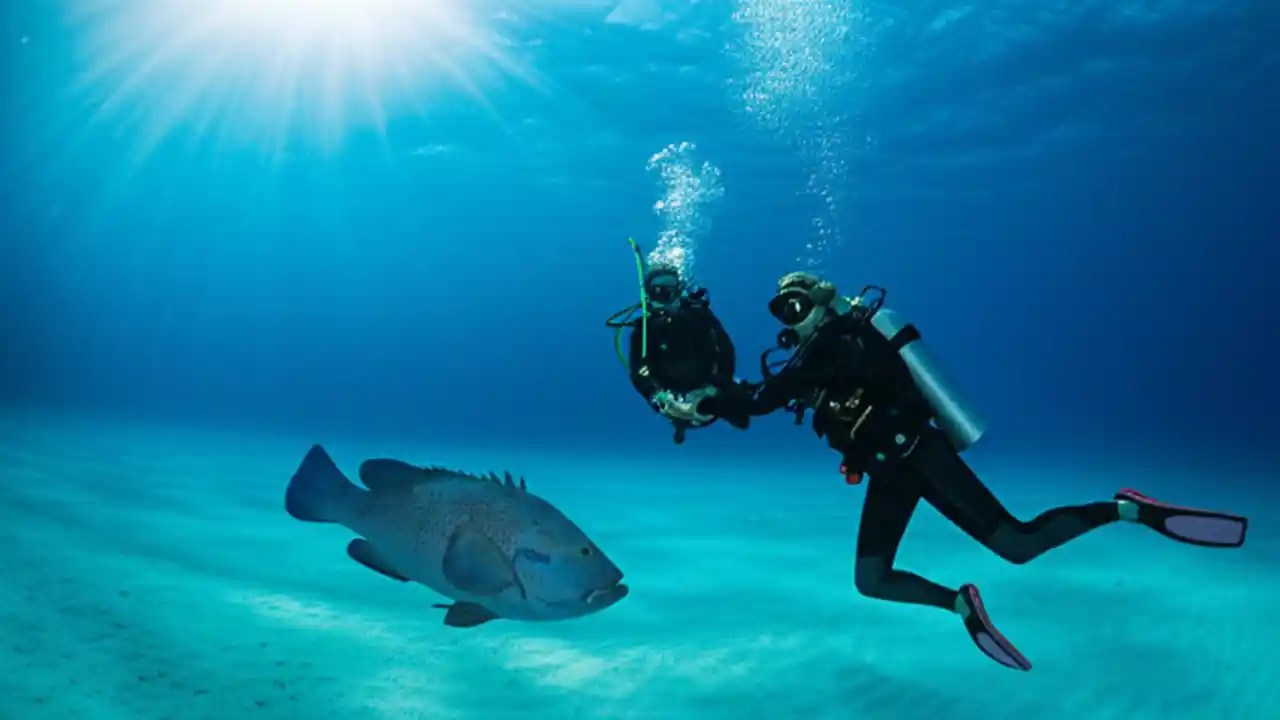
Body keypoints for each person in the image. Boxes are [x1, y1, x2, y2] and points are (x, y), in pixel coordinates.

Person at [711, 270, 1249, 671]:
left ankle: (1126, 509)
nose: (790, 316)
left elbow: (765, 397)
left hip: (922, 455)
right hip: (891, 472)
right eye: (781, 309)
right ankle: (958, 604)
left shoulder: (839, 340)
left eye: (797, 304)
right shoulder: (819, 359)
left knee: (1016, 544)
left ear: (823, 301)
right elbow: (773, 395)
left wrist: (707, 400)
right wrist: (719, 400)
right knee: (871, 580)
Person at [607, 259, 754, 443]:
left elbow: (725, 349)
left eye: (670, 291)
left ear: (679, 290)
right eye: (658, 292)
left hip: (708, 385)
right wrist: (655, 397)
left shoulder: (699, 315)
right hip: (670, 394)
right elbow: (638, 370)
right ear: (649, 295)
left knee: (743, 415)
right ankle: (680, 424)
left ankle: (687, 420)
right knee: (679, 417)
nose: (665, 298)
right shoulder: (643, 330)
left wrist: (718, 385)